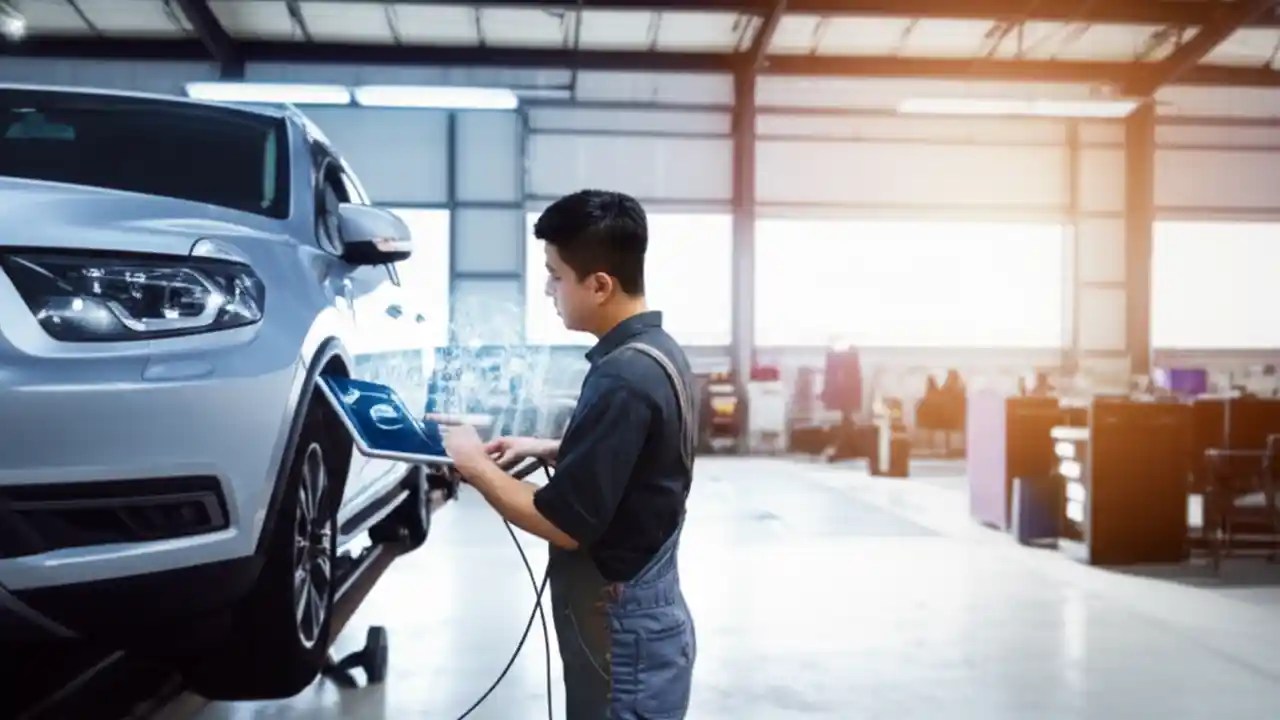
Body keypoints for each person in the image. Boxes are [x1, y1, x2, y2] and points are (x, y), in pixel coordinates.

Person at [441, 189, 698, 720]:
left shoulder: (623, 377)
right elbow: (650, 457)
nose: (548, 289)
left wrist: (474, 464)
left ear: (599, 284)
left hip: (622, 637)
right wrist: (558, 448)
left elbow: (564, 523)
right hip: (645, 620)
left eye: (556, 275)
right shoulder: (657, 351)